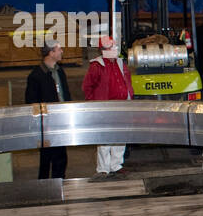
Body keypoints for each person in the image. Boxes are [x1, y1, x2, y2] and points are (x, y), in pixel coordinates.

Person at [82, 35, 133, 176]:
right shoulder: (96, 66)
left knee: (120, 136)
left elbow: (127, 81)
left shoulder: (120, 63)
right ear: (103, 50)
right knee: (105, 138)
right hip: (105, 108)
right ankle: (103, 168)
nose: (114, 50)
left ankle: (116, 164)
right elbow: (87, 87)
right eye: (111, 48)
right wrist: (93, 105)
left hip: (122, 106)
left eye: (114, 47)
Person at [25, 37, 72, 179]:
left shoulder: (60, 71)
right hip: (46, 123)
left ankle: (60, 180)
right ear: (51, 53)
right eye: (59, 49)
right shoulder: (36, 76)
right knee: (46, 156)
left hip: (61, 119)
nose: (62, 51)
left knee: (61, 155)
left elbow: (65, 94)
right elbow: (31, 101)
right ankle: (44, 184)